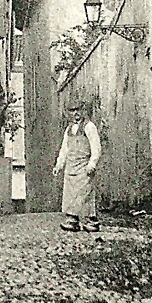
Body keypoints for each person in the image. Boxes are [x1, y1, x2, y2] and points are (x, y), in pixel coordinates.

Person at [54, 100, 102, 233]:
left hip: (84, 166)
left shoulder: (89, 127)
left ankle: (90, 220)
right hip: (71, 166)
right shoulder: (69, 129)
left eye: (78, 110)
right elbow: (64, 149)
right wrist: (59, 165)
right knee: (70, 195)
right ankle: (72, 219)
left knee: (85, 194)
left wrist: (92, 163)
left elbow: (96, 147)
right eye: (72, 111)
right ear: (68, 113)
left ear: (83, 111)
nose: (75, 113)